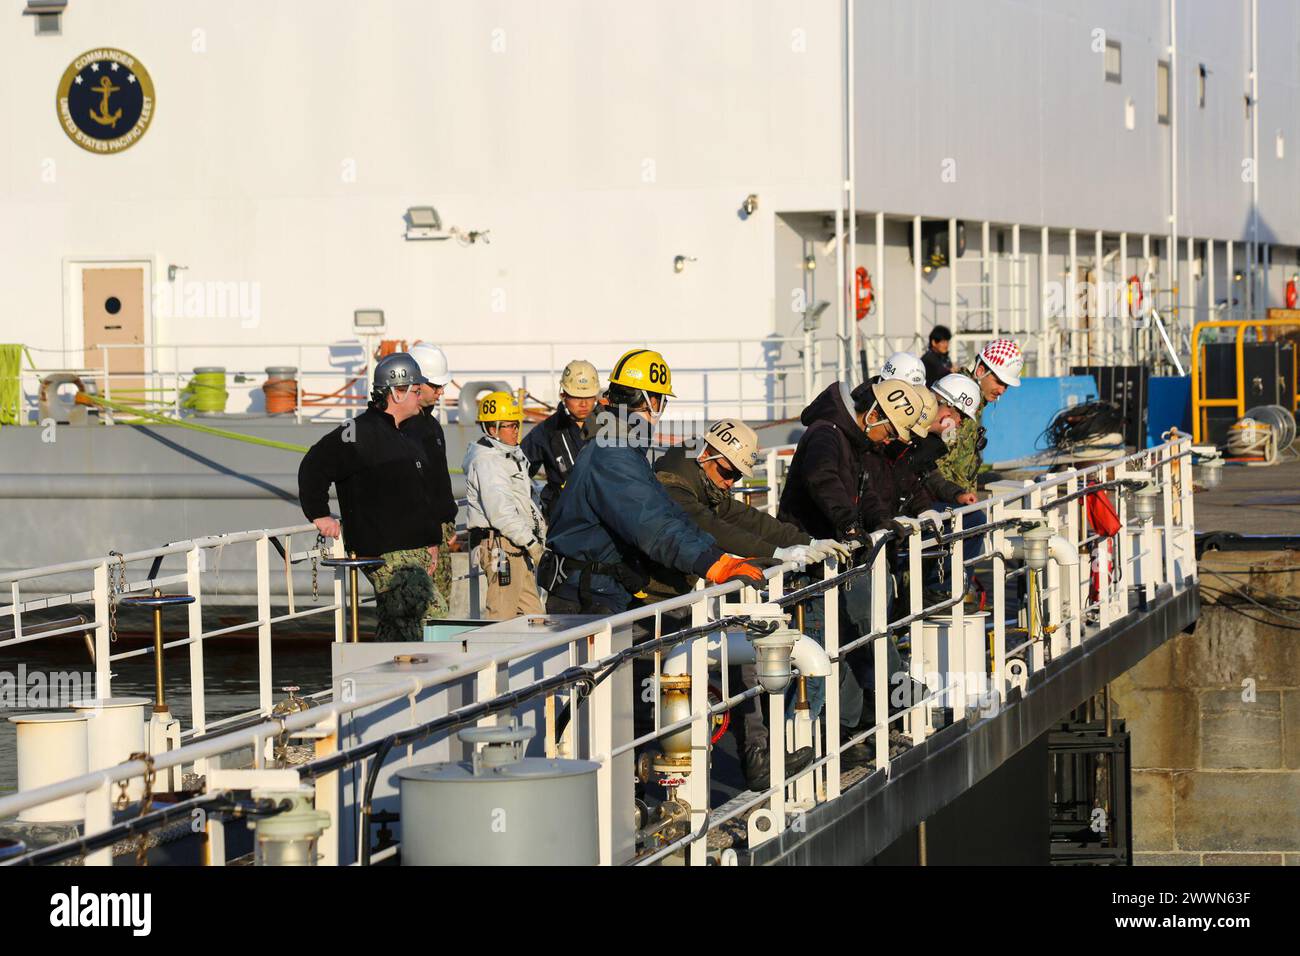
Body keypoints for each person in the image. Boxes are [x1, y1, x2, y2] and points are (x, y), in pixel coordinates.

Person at [645, 417, 850, 789]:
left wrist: (805, 542)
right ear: (707, 454)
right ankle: (668, 788)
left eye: (736, 477)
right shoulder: (673, 482)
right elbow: (708, 527)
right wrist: (778, 552)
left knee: (741, 660)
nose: (730, 482)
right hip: (655, 595)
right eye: (726, 472)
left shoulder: (703, 475)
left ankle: (757, 757)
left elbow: (743, 518)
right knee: (662, 690)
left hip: (684, 589)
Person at [540, 348, 767, 616]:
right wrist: (716, 566)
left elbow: (669, 513)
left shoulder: (621, 448)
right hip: (585, 596)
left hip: (598, 589)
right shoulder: (613, 454)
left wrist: (719, 557)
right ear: (652, 402)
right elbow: (654, 526)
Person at [776, 378, 926, 756]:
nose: (888, 439)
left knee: (846, 643)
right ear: (873, 414)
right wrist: (849, 524)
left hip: (834, 561)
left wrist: (881, 522)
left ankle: (844, 733)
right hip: (809, 567)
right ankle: (796, 750)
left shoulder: (852, 441)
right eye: (889, 430)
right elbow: (822, 480)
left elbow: (866, 492)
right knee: (815, 653)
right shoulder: (827, 435)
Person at [297, 352, 440, 641]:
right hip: (386, 551)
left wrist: (430, 540)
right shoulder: (359, 433)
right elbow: (315, 464)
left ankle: (385, 680)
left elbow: (418, 494)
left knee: (398, 625)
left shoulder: (407, 433)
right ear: (396, 393)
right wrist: (319, 513)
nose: (419, 397)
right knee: (429, 616)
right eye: (414, 391)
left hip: (413, 551)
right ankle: (401, 681)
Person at [463, 390, 546, 620]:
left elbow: (522, 499)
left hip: (514, 545)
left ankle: (533, 655)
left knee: (534, 616)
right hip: (501, 546)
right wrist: (532, 543)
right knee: (502, 616)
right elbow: (501, 512)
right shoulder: (487, 461)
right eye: (509, 426)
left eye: (516, 425)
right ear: (492, 429)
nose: (516, 431)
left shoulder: (507, 455)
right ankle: (493, 657)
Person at [402, 343, 458, 618]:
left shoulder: (431, 425)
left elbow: (437, 479)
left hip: (440, 530)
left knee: (441, 603)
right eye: (436, 385)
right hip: (424, 534)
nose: (441, 391)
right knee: (427, 608)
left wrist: (449, 520)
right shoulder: (405, 427)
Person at [935, 338, 1023, 497]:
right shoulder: (958, 401)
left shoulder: (974, 403)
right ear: (981, 371)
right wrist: (957, 497)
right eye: (999, 381)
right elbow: (939, 462)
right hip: (948, 501)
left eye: (1006, 386)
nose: (1002, 391)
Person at [522, 359, 600, 520]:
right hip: (563, 520)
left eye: (589, 396)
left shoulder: (611, 428)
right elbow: (516, 473)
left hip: (606, 517)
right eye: (577, 397)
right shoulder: (546, 432)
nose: (584, 403)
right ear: (563, 394)